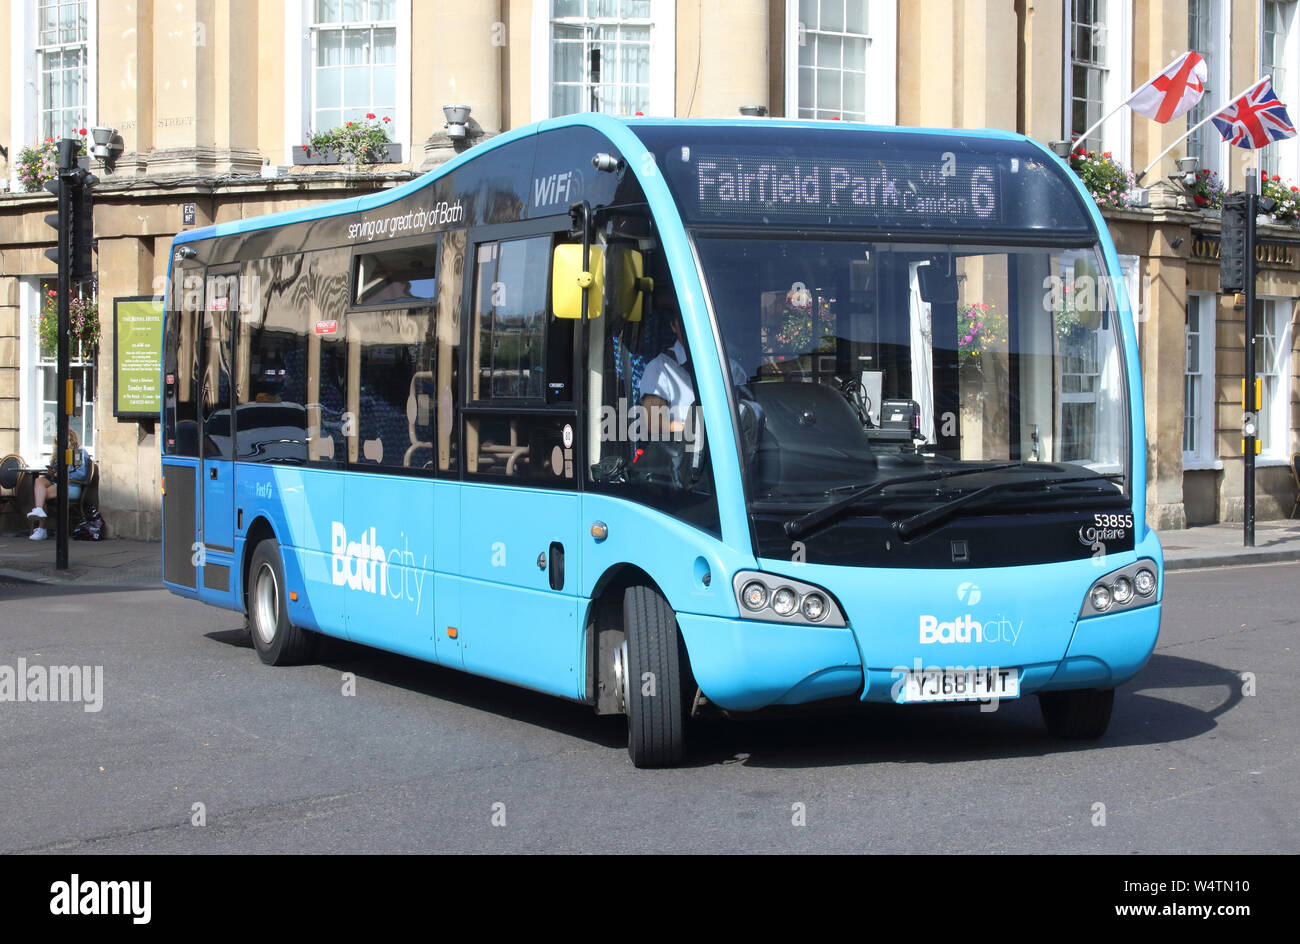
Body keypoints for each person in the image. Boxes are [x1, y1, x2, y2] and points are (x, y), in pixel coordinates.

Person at [29, 429, 91, 541]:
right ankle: (39, 509)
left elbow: (81, 474)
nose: (58, 444)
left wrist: (61, 474)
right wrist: (53, 473)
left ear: (70, 440)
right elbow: (57, 476)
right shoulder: (59, 453)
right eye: (57, 441)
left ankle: (41, 528)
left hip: (71, 486)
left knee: (41, 495)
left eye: (60, 441)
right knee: (38, 481)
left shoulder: (77, 452)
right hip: (58, 483)